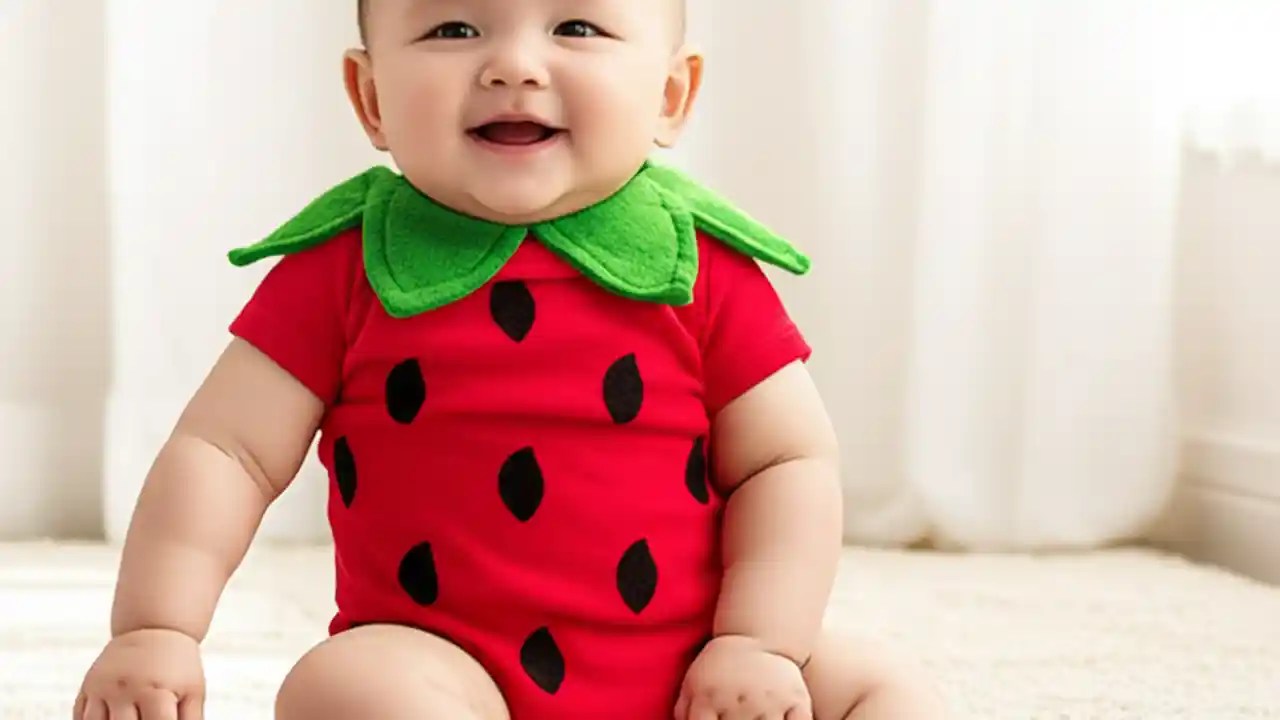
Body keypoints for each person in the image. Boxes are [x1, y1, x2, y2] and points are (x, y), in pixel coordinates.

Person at [74, 0, 949, 718]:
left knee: (883, 689)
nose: (513, 65)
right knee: (342, 690)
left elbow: (787, 462)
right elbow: (224, 452)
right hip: (444, 673)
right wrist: (157, 628)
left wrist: (760, 643)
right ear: (370, 97)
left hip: (699, 676)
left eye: (577, 28)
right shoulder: (344, 271)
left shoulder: (697, 269)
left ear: (672, 96)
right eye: (454, 29)